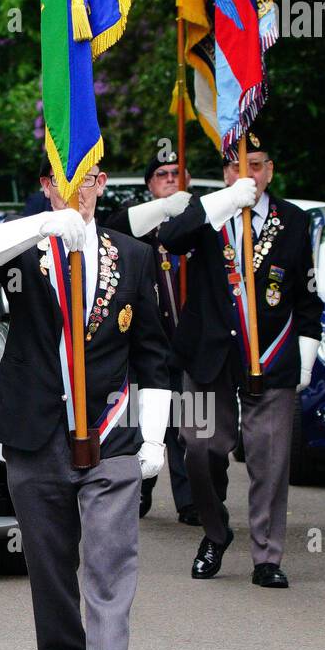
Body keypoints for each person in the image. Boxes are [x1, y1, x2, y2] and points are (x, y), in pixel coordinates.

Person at [0, 160, 171, 650]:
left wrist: (154, 434)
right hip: (36, 431)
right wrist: (43, 227)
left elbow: (153, 352)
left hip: (111, 430)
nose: (79, 187)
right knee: (50, 563)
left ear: (102, 184)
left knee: (109, 557)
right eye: (63, 178)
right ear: (48, 186)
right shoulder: (23, 253)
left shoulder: (134, 254)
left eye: (90, 177)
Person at [158, 132, 323, 588]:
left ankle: (267, 557)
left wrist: (305, 356)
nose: (243, 173)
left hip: (270, 358)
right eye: (233, 165)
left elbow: (306, 300)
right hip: (205, 356)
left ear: (269, 170)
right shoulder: (206, 213)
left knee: (270, 461)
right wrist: (222, 201)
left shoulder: (293, 221)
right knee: (197, 446)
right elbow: (170, 239)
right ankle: (215, 531)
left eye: (253, 164)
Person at [106, 151, 199, 525]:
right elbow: (114, 226)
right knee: (142, 418)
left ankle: (189, 500)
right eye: (162, 173)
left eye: (178, 173)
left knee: (188, 420)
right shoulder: (139, 222)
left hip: (187, 341)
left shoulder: (198, 221)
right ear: (149, 183)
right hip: (144, 344)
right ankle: (139, 488)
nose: (170, 179)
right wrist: (163, 208)